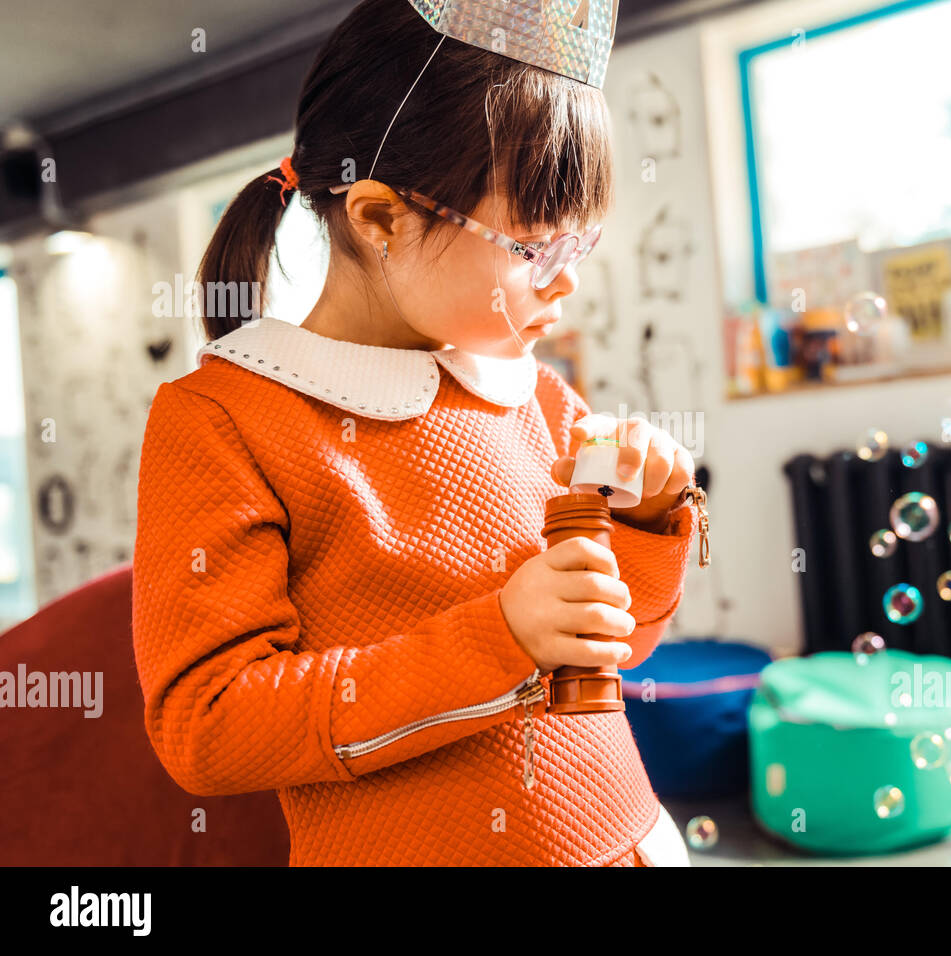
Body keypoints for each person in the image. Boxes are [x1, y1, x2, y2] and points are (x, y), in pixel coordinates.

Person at [132, 0, 703, 866]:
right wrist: (496, 639)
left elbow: (608, 654)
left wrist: (649, 522)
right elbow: (208, 727)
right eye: (534, 250)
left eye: (580, 244)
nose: (569, 285)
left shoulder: (537, 395)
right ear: (379, 219)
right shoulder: (225, 418)